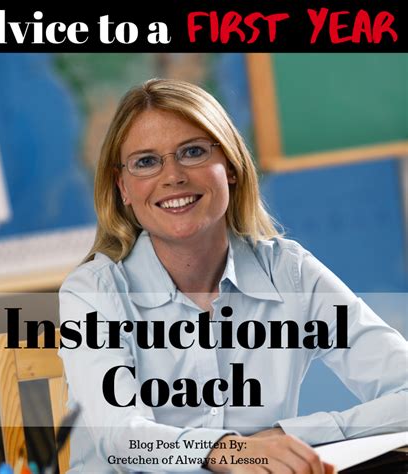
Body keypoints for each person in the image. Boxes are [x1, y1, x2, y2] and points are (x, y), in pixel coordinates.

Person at [59, 78, 407, 473]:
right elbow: (122, 438)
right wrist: (231, 451)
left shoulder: (287, 272)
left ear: (232, 167)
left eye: (192, 152)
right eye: (146, 161)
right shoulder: (92, 292)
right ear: (123, 187)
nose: (172, 176)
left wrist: (285, 435)